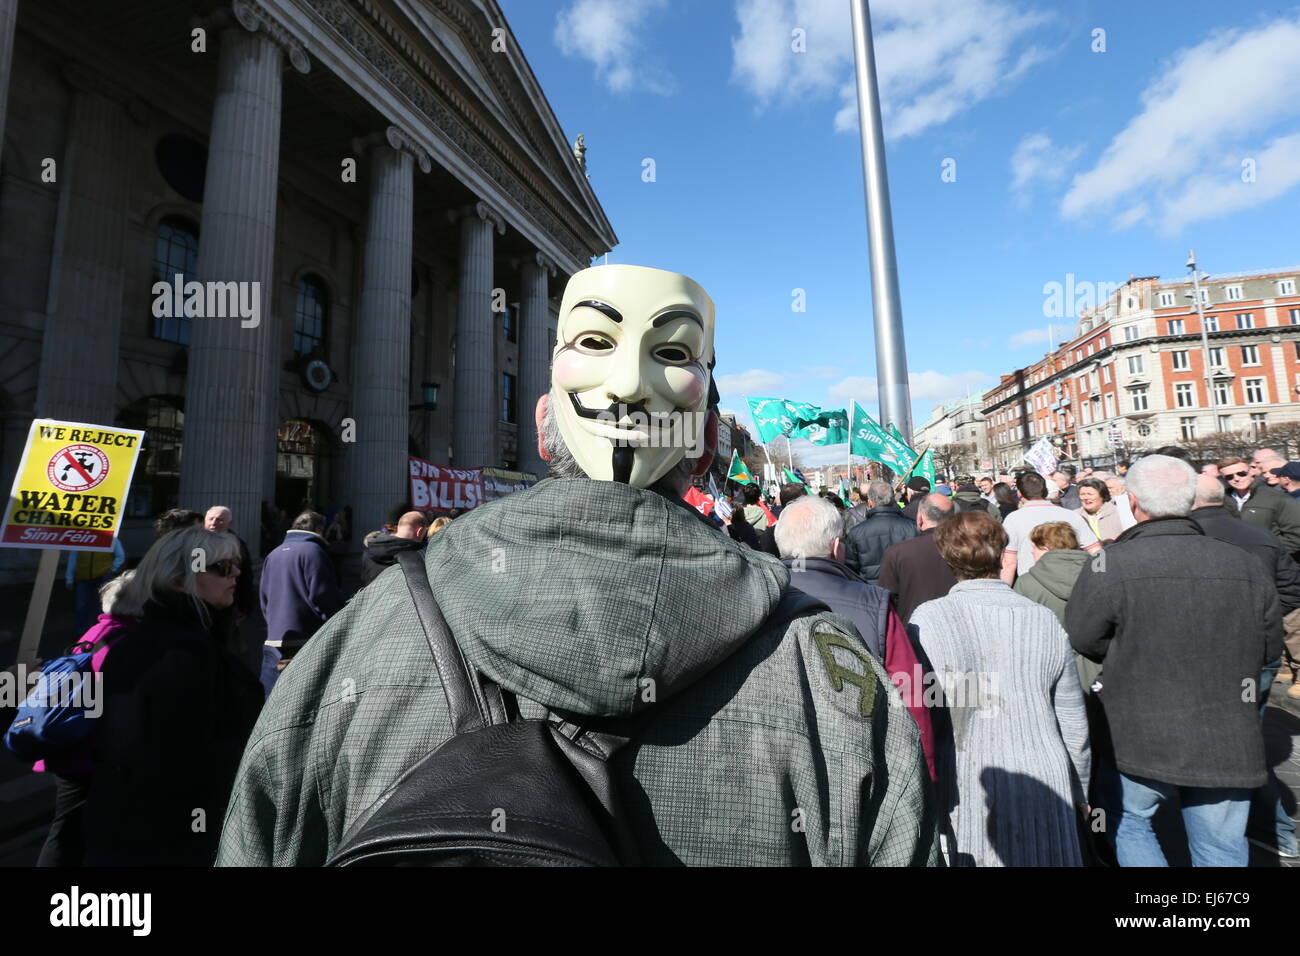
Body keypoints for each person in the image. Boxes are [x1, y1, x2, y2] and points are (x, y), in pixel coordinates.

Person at [217, 264, 938, 867]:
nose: (627, 383)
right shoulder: (827, 678)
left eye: (672, 352)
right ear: (709, 443)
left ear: (540, 425)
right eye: (596, 341)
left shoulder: (357, 640)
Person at [1066, 455, 1282, 867]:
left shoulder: (1112, 564)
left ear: (1132, 502)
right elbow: (1267, 649)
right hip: (1226, 731)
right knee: (1220, 846)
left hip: (1138, 729)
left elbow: (1084, 638)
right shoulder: (1245, 563)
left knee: (1130, 823)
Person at [910, 511, 1091, 867]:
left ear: (947, 557)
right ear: (1002, 553)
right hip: (1044, 776)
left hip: (967, 778)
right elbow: (1072, 719)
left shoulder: (926, 619)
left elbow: (919, 711)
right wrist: (1080, 789)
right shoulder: (1041, 617)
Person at [80, 526, 264, 864]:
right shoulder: (179, 653)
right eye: (223, 567)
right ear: (178, 579)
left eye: (237, 564)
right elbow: (176, 759)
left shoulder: (179, 641)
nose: (236, 573)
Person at [776, 495, 935, 780]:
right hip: (860, 768)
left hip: (775, 768)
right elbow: (910, 693)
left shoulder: (752, 600)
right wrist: (926, 774)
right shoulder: (874, 605)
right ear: (838, 548)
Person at [1190, 474, 1300, 856]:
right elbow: (1291, 588)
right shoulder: (1260, 535)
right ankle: (1268, 828)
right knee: (1246, 735)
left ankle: (1267, 829)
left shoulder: (1189, 539)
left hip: (1211, 654)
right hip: (1258, 653)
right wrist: (1264, 620)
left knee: (1233, 745)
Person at [33, 571, 137, 867]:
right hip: (86, 751)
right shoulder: (124, 640)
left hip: (67, 744)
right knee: (68, 834)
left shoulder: (95, 632)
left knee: (70, 828)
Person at [259, 510, 344, 676]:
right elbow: (323, 596)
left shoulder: (274, 553)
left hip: (275, 635)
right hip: (306, 635)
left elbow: (264, 598)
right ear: (319, 529)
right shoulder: (314, 552)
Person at [1000, 471, 1100, 584]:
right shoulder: (1071, 515)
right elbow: (1096, 551)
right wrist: (1100, 580)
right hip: (1071, 583)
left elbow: (1009, 563)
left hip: (1032, 586)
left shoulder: (1013, 519)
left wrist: (1006, 594)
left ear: (1019, 493)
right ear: (1045, 491)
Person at [878, 494, 957, 623]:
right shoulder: (969, 550)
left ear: (920, 518)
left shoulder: (897, 553)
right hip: (958, 626)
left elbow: (887, 601)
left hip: (912, 631)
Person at [1220, 455, 1300, 558]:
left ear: (1251, 472)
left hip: (1272, 563)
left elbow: (1296, 536)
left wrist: (1266, 552)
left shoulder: (1276, 497)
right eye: (1229, 476)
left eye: (1241, 473)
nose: (1236, 478)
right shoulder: (1221, 501)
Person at [844, 479, 919, 584]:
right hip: (904, 588)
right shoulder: (912, 527)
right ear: (893, 500)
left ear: (870, 502)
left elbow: (851, 570)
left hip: (871, 592)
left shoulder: (856, 533)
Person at [65, 537, 126, 637]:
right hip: (83, 577)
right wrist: (69, 579)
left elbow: (120, 556)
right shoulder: (81, 538)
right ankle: (81, 633)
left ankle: (99, 632)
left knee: (102, 606)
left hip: (102, 577)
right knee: (81, 606)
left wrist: (111, 570)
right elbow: (73, 558)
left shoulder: (111, 538)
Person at [360, 511, 429, 586]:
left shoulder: (370, 549)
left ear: (399, 526)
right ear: (420, 531)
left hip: (370, 596)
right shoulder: (419, 554)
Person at [1074, 477, 1124, 543]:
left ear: (1102, 495)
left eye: (1090, 494)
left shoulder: (1119, 513)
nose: (1086, 498)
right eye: (1082, 494)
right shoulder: (1075, 515)